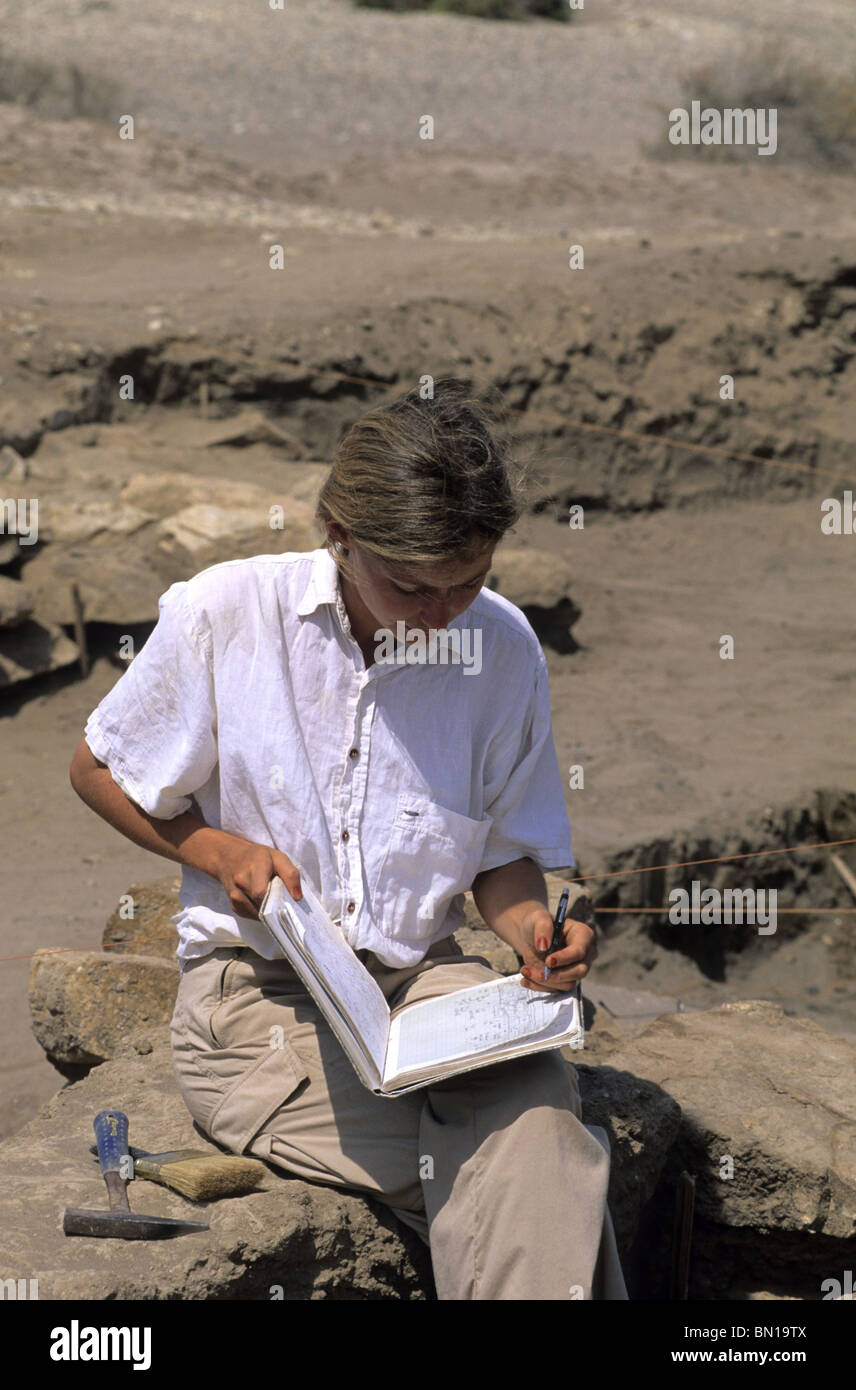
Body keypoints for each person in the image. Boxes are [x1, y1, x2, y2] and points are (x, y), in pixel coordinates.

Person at [69, 377, 628, 1301]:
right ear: (339, 537)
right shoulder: (228, 613)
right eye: (411, 585)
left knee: (534, 1140)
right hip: (258, 1003)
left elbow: (500, 860)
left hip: (431, 990)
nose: (444, 614)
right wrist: (218, 853)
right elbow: (98, 767)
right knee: (540, 1159)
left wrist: (532, 926)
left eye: (470, 582)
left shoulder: (504, 648)